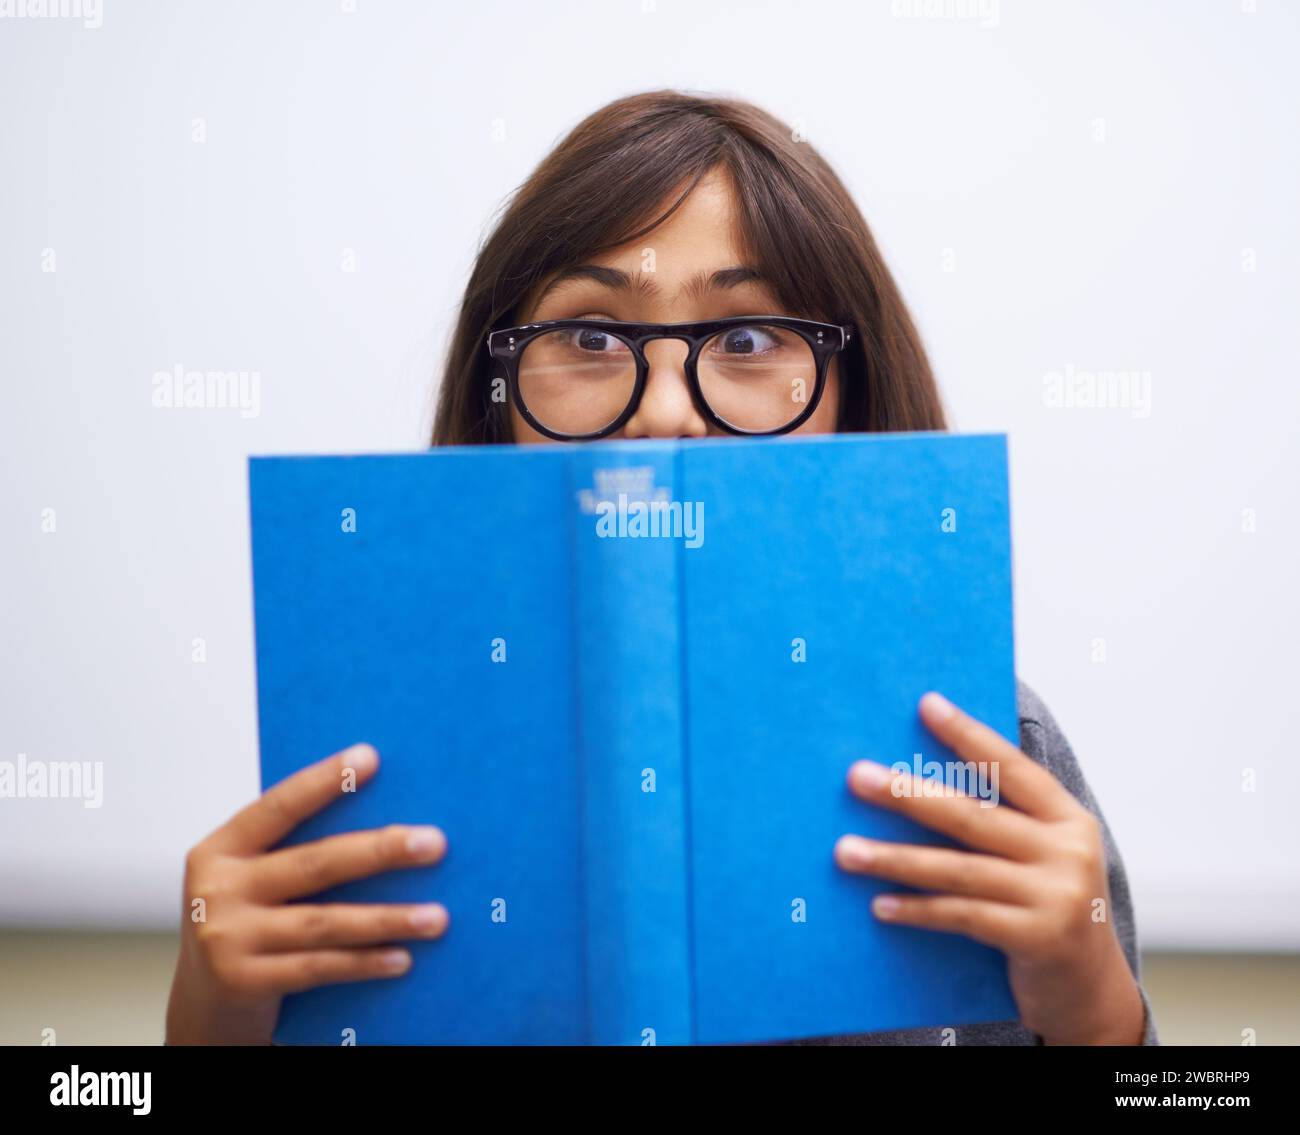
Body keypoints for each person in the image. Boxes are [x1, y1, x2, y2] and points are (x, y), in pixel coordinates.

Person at [166, 90, 1157, 1046]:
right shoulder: (360, 752)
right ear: (498, 390)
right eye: (592, 336)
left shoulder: (995, 749)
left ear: (852, 397)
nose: (668, 411)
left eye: (748, 337)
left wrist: (1099, 1024)